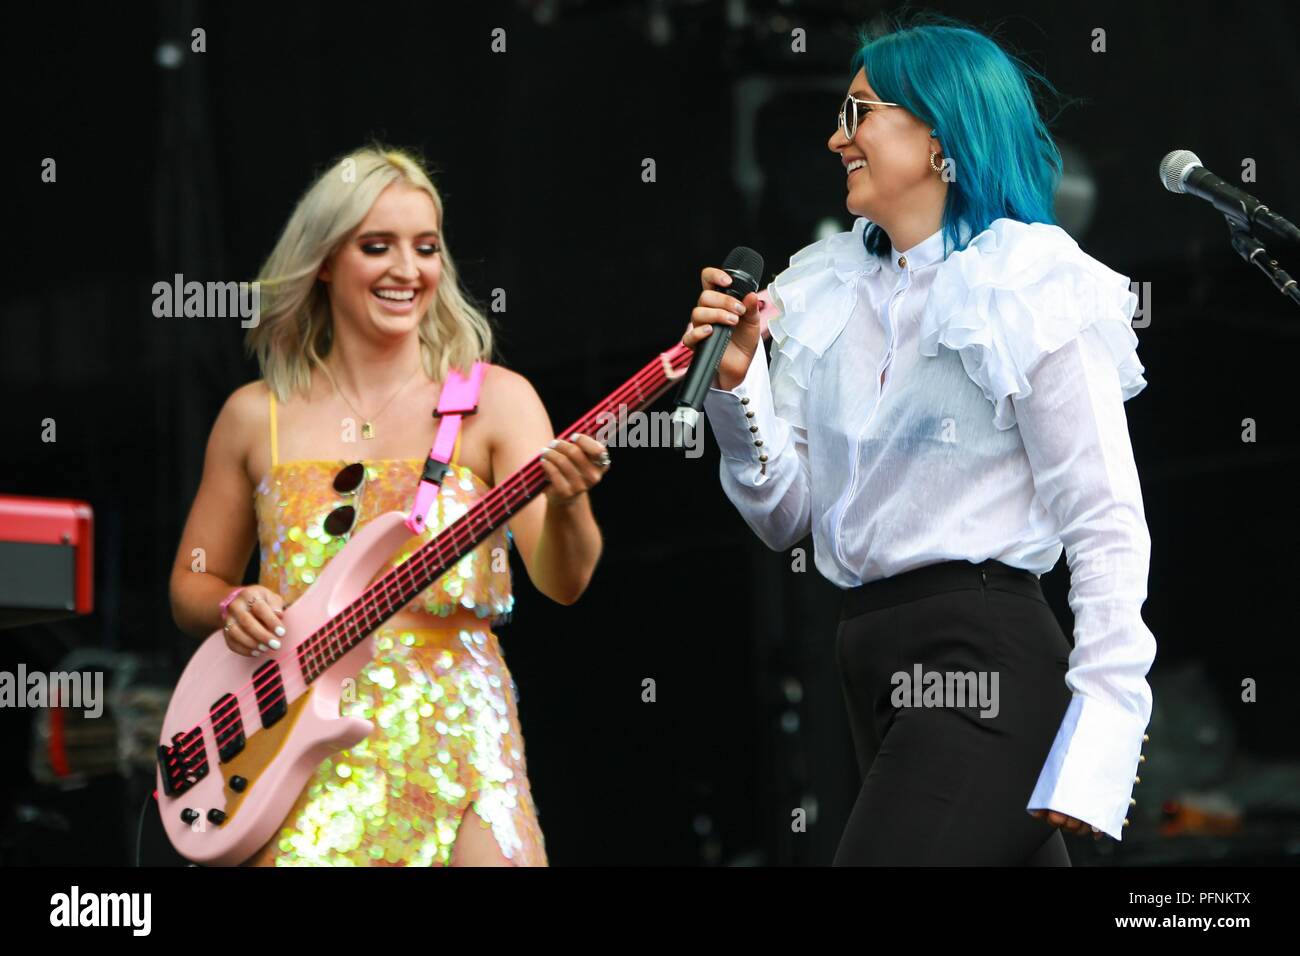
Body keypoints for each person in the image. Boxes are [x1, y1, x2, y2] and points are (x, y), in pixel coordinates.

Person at [684, 14, 1155, 865]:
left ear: (941, 133)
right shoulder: (828, 286)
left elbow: (1106, 519)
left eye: (859, 113)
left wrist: (1104, 732)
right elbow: (785, 516)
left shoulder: (1028, 279)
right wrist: (735, 383)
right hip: (868, 652)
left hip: (986, 656)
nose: (836, 139)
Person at [168, 145, 609, 866]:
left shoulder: (495, 400)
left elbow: (564, 582)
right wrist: (231, 604)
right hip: (296, 742)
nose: (409, 270)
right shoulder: (255, 416)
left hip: (461, 733)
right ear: (324, 262)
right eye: (378, 247)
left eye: (426, 248)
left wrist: (570, 506)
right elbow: (191, 583)